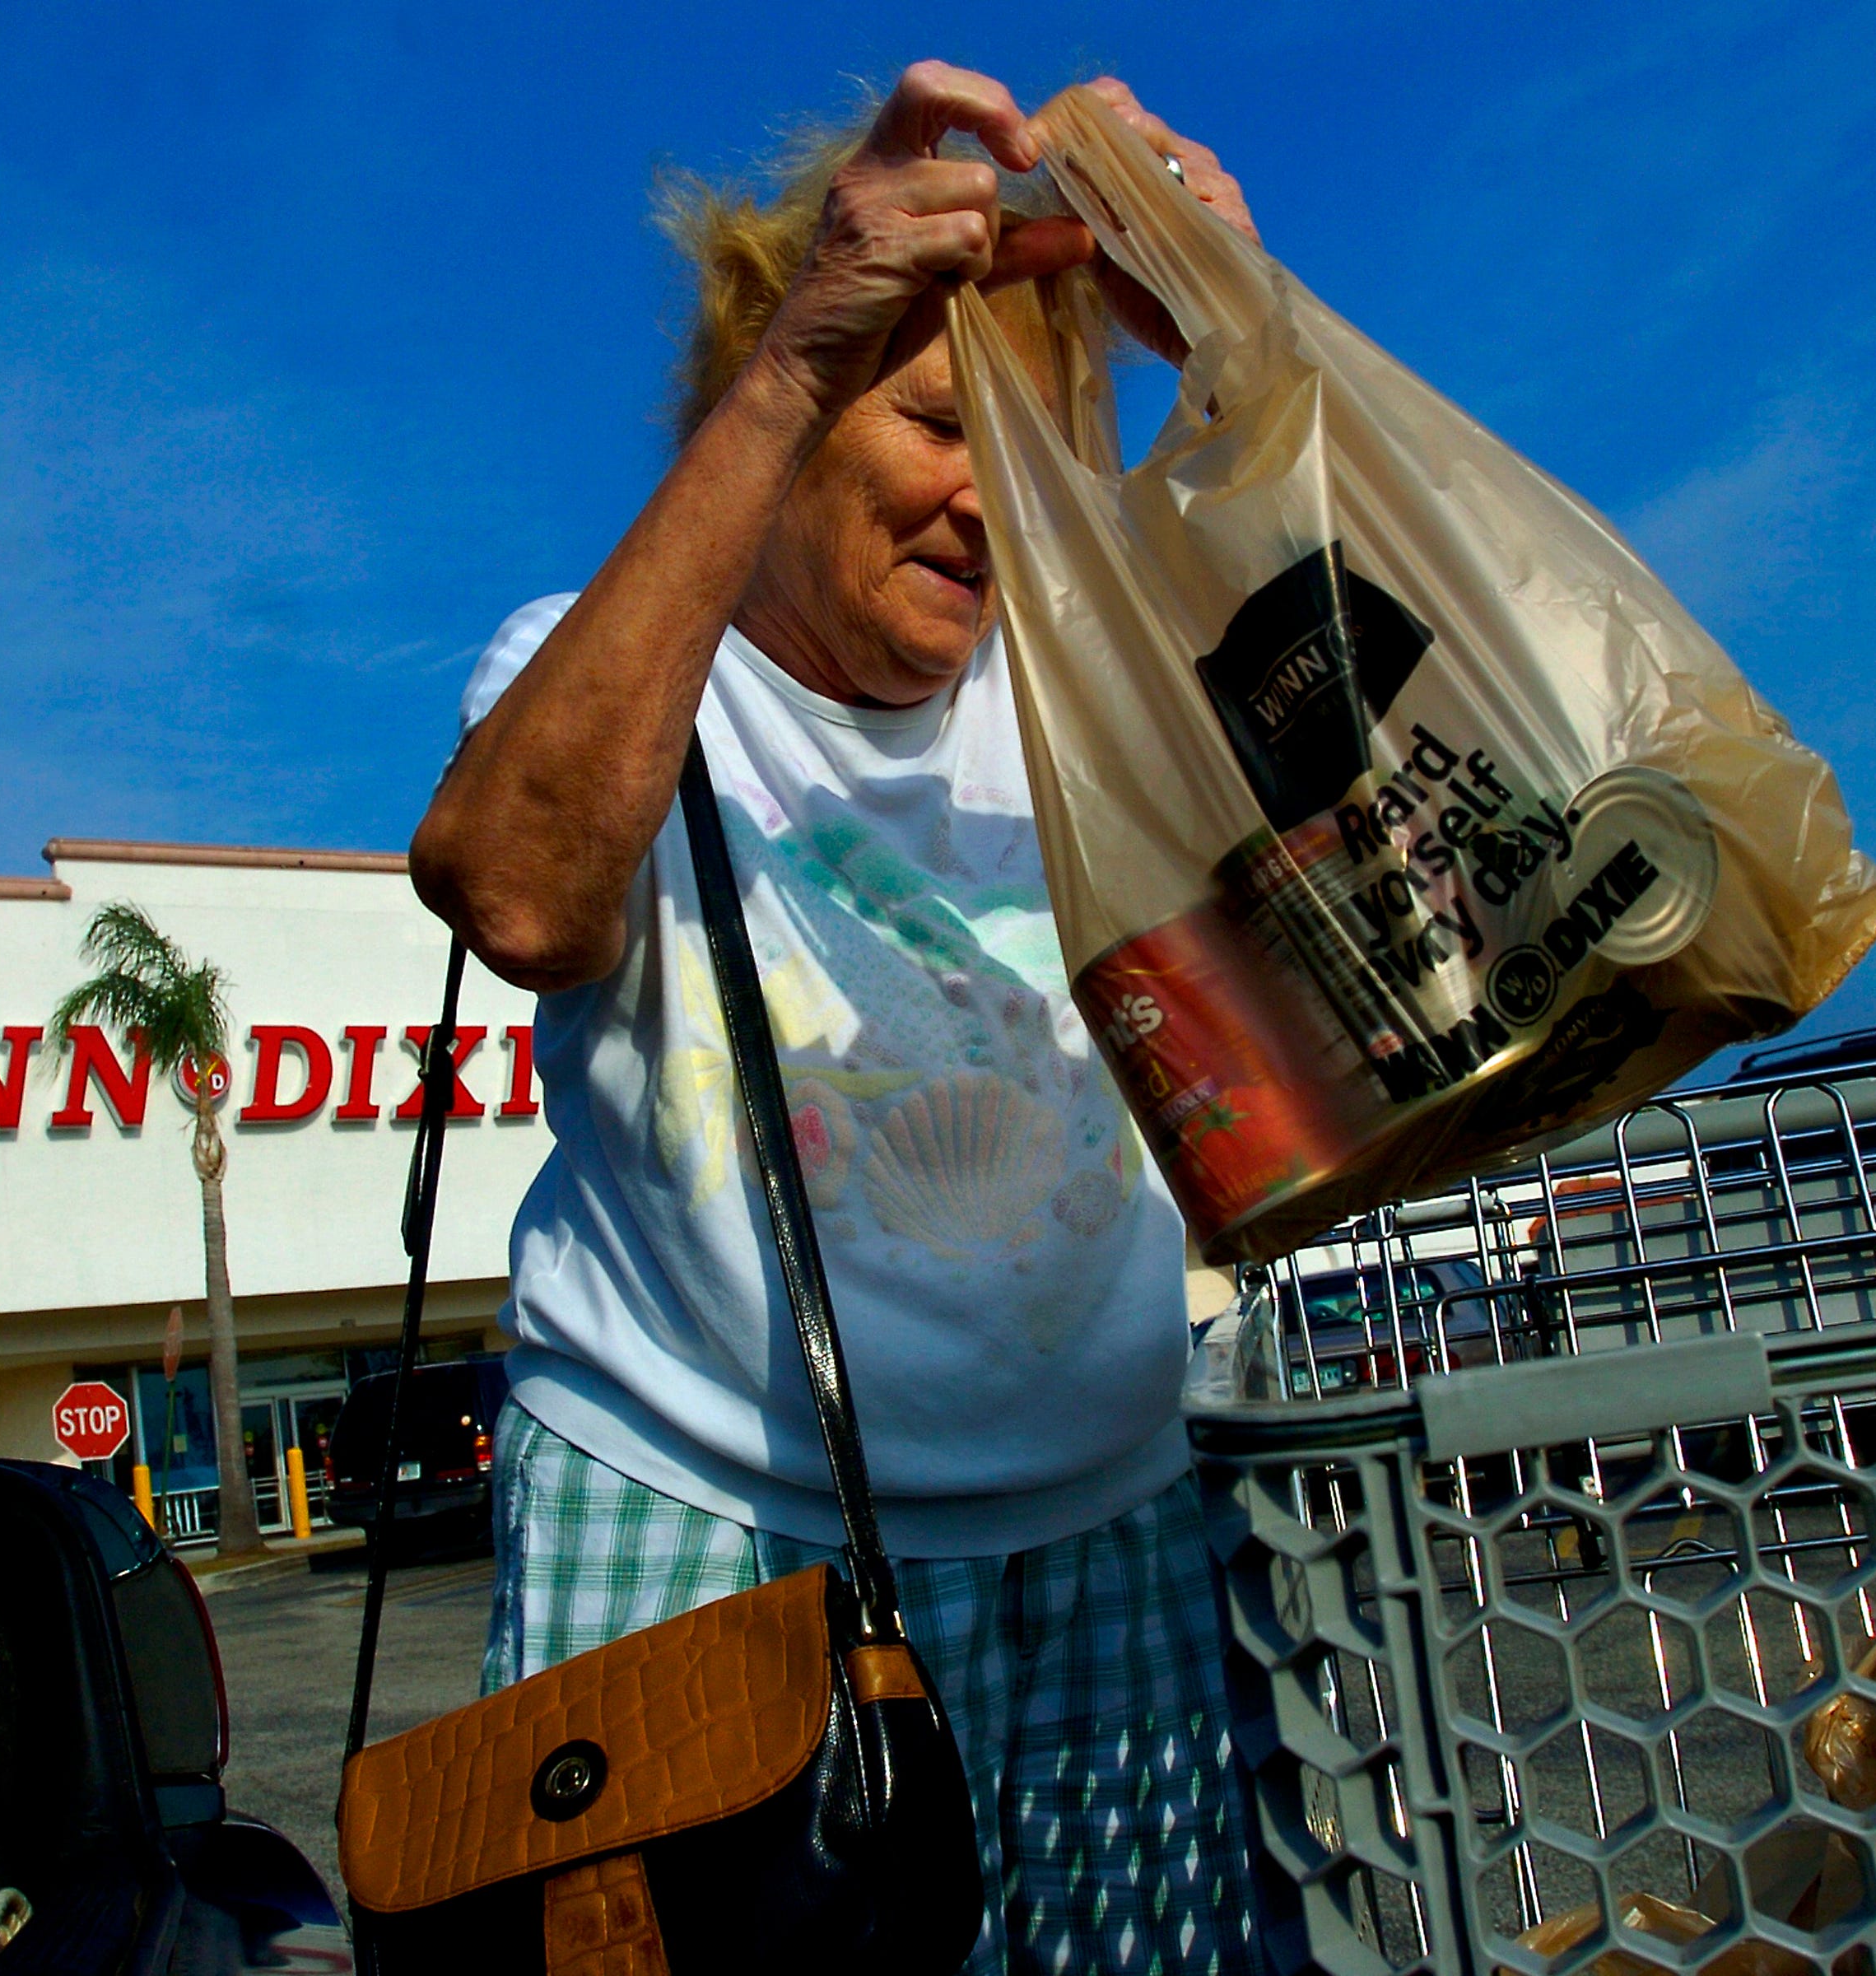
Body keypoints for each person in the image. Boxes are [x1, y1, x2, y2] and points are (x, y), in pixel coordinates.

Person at [410, 63, 1264, 1975]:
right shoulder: (610, 670)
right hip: (712, 1531)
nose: (990, 501)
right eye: (936, 422)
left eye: (1038, 451)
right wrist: (796, 352)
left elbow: (1360, 827)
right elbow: (527, 896)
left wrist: (1236, 347)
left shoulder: (1092, 699)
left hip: (1111, 1533)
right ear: (781, 424)